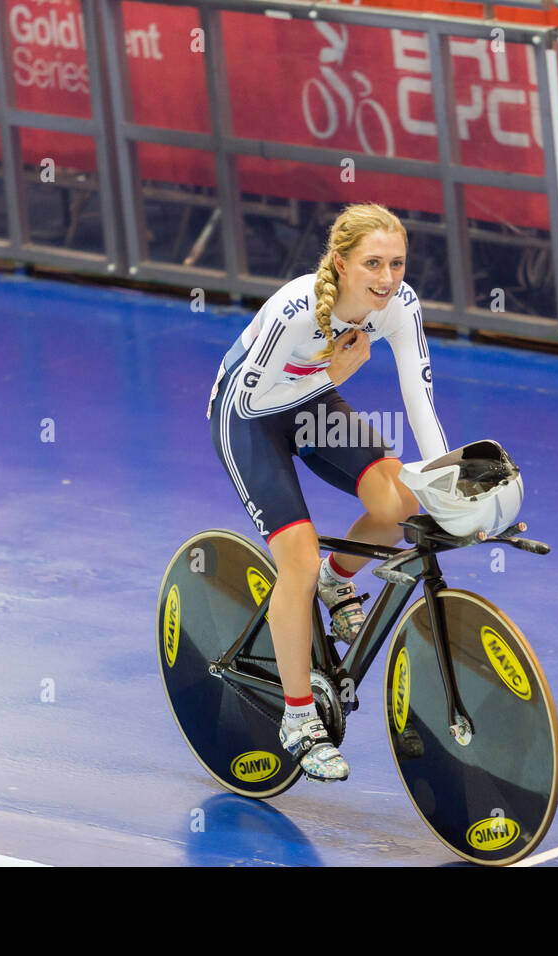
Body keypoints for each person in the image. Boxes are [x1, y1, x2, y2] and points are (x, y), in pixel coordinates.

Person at [206, 203, 448, 782]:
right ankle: (298, 719)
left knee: (399, 504)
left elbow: (420, 401)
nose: (387, 278)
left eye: (396, 263)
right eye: (372, 264)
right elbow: (257, 399)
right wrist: (332, 377)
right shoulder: (294, 309)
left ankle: (341, 578)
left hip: (312, 402)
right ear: (341, 263)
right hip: (248, 418)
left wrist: (443, 479)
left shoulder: (402, 306)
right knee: (298, 560)